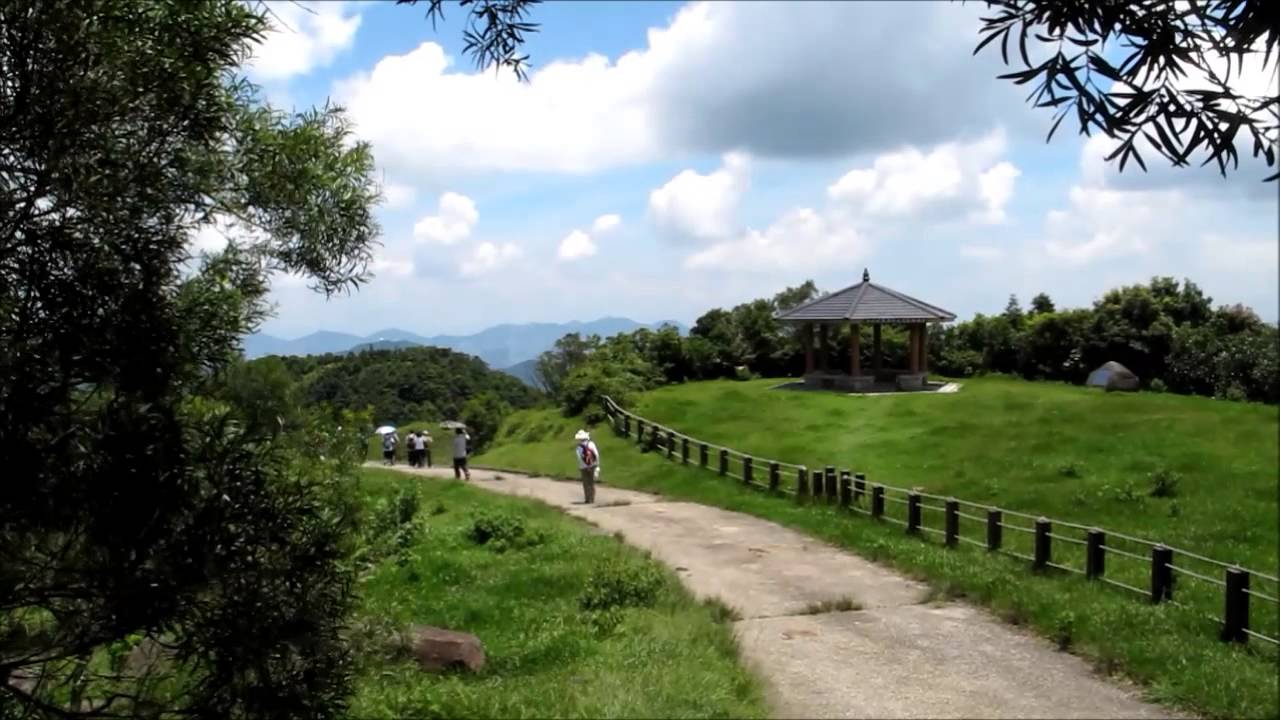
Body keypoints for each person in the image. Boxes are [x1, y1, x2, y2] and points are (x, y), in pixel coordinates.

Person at [574, 429, 600, 504]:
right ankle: (592, 498)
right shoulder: (592, 444)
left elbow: (580, 458)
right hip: (593, 465)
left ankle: (587, 498)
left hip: (583, 467)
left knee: (586, 483)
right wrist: (597, 465)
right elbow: (596, 455)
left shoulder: (578, 447)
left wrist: (585, 465)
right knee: (592, 483)